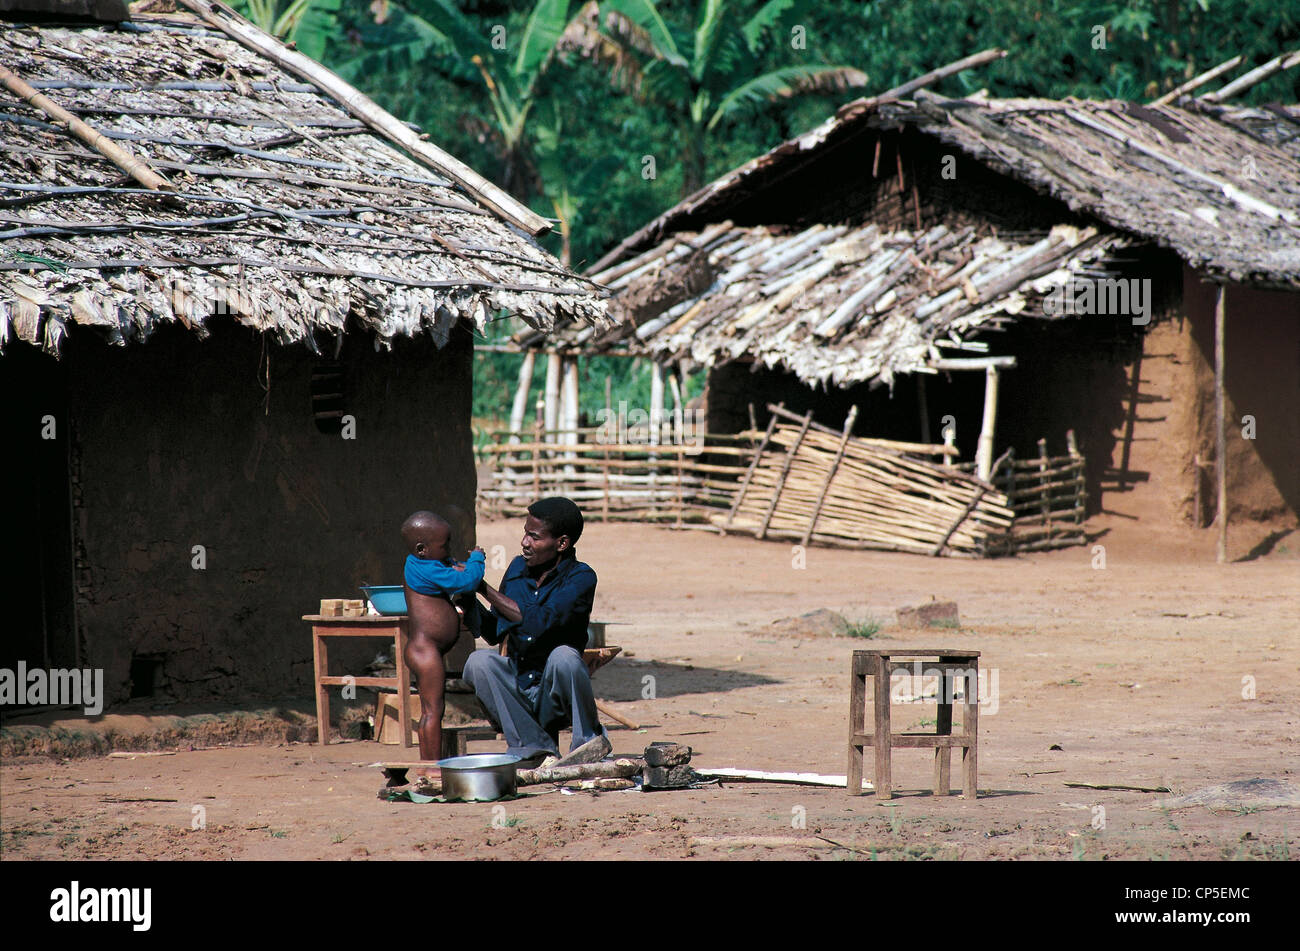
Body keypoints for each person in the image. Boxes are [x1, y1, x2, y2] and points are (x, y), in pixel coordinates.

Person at [465, 497, 611, 769]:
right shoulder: (518, 569)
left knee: (564, 656)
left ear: (562, 543)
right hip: (519, 686)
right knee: (479, 662)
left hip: (555, 694)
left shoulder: (582, 577)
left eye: (534, 536)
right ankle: (533, 749)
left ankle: (587, 744)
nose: (524, 542)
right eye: (525, 533)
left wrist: (482, 588)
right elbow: (495, 630)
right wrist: (465, 597)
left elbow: (539, 622)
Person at [401, 510, 484, 764]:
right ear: (422, 548)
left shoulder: (424, 563)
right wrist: (477, 560)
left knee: (432, 711)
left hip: (426, 650)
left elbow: (449, 569)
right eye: (444, 545)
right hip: (425, 651)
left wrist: (453, 563)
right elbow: (467, 582)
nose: (448, 548)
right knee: (432, 712)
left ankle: (431, 766)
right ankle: (432, 769)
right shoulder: (427, 569)